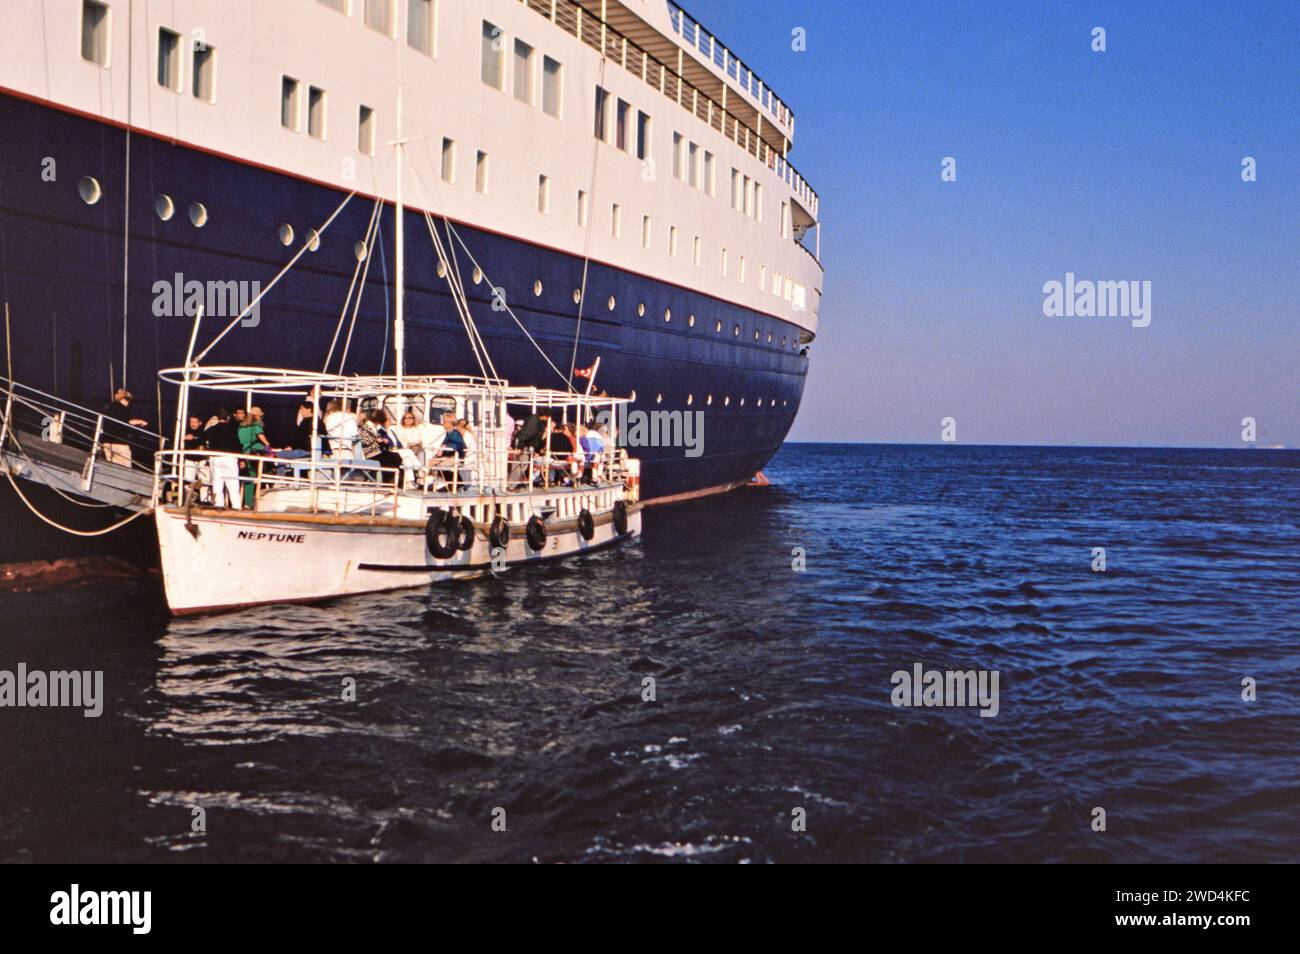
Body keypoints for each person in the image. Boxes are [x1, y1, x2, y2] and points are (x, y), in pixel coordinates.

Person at [204, 408, 243, 508]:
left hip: (215, 458)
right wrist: (241, 459)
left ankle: (218, 505)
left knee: (217, 484)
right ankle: (236, 506)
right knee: (232, 483)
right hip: (229, 458)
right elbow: (237, 444)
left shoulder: (211, 430)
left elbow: (204, 440)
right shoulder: (232, 429)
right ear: (228, 418)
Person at [100, 388, 148, 467]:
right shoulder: (122, 409)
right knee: (125, 469)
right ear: (125, 399)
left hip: (107, 443)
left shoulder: (110, 407)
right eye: (129, 401)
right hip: (120, 444)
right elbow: (125, 422)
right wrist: (139, 422)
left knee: (112, 468)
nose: (129, 404)